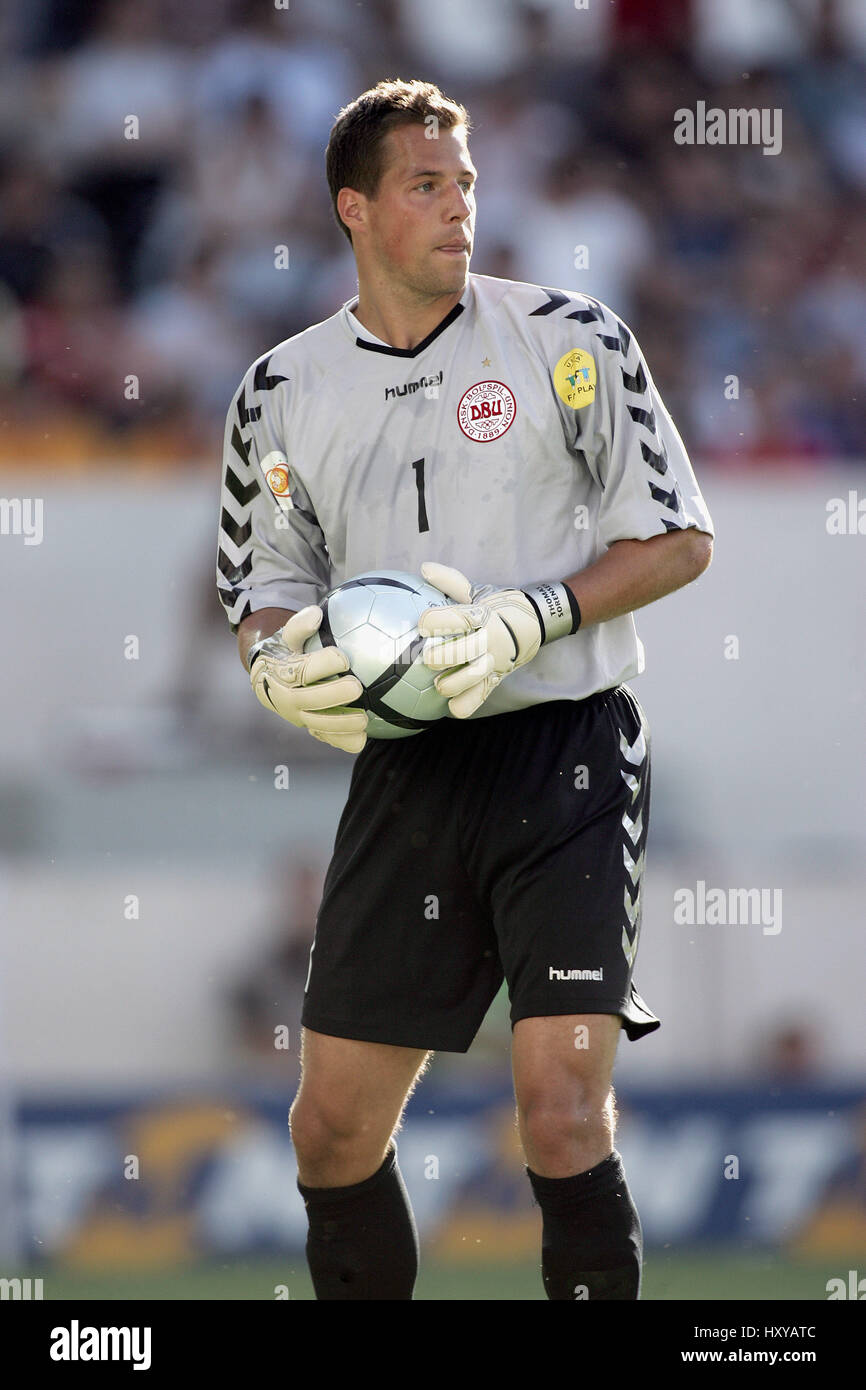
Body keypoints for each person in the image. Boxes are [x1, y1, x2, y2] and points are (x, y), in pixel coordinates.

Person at [215, 79, 714, 1301]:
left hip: (572, 753)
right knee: (329, 1130)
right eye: (425, 186)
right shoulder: (280, 389)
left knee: (558, 1110)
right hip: (409, 767)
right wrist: (282, 662)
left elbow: (681, 537)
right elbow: (261, 584)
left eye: (466, 183)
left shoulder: (570, 336)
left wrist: (531, 612)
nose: (458, 208)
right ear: (355, 209)